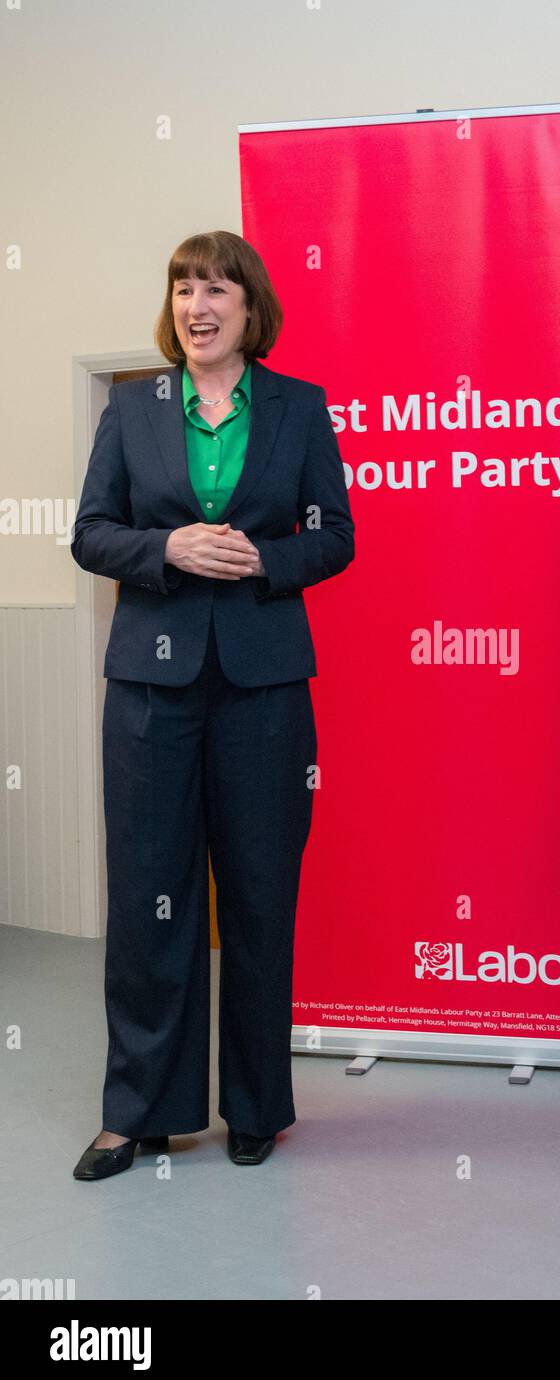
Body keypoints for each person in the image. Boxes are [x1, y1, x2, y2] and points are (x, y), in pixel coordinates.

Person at [71, 229, 354, 1179]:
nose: (198, 304)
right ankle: (138, 1110)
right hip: (151, 689)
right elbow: (91, 534)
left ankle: (256, 1106)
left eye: (217, 288)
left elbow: (338, 537)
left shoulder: (300, 410)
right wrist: (167, 552)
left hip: (264, 687)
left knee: (262, 895)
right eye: (185, 288)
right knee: (150, 897)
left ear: (250, 307)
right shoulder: (132, 407)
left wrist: (267, 558)